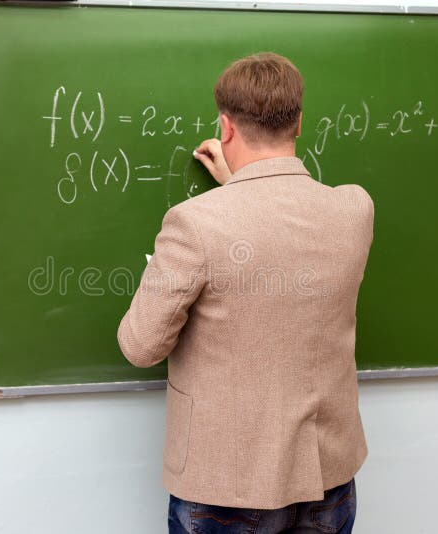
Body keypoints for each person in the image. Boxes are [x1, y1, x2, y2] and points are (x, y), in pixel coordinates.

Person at [117, 52, 374, 534]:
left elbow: (140, 346)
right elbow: (281, 231)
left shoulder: (195, 224)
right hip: (329, 479)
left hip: (227, 484)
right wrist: (239, 185)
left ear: (225, 126)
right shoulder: (355, 209)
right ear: (298, 123)